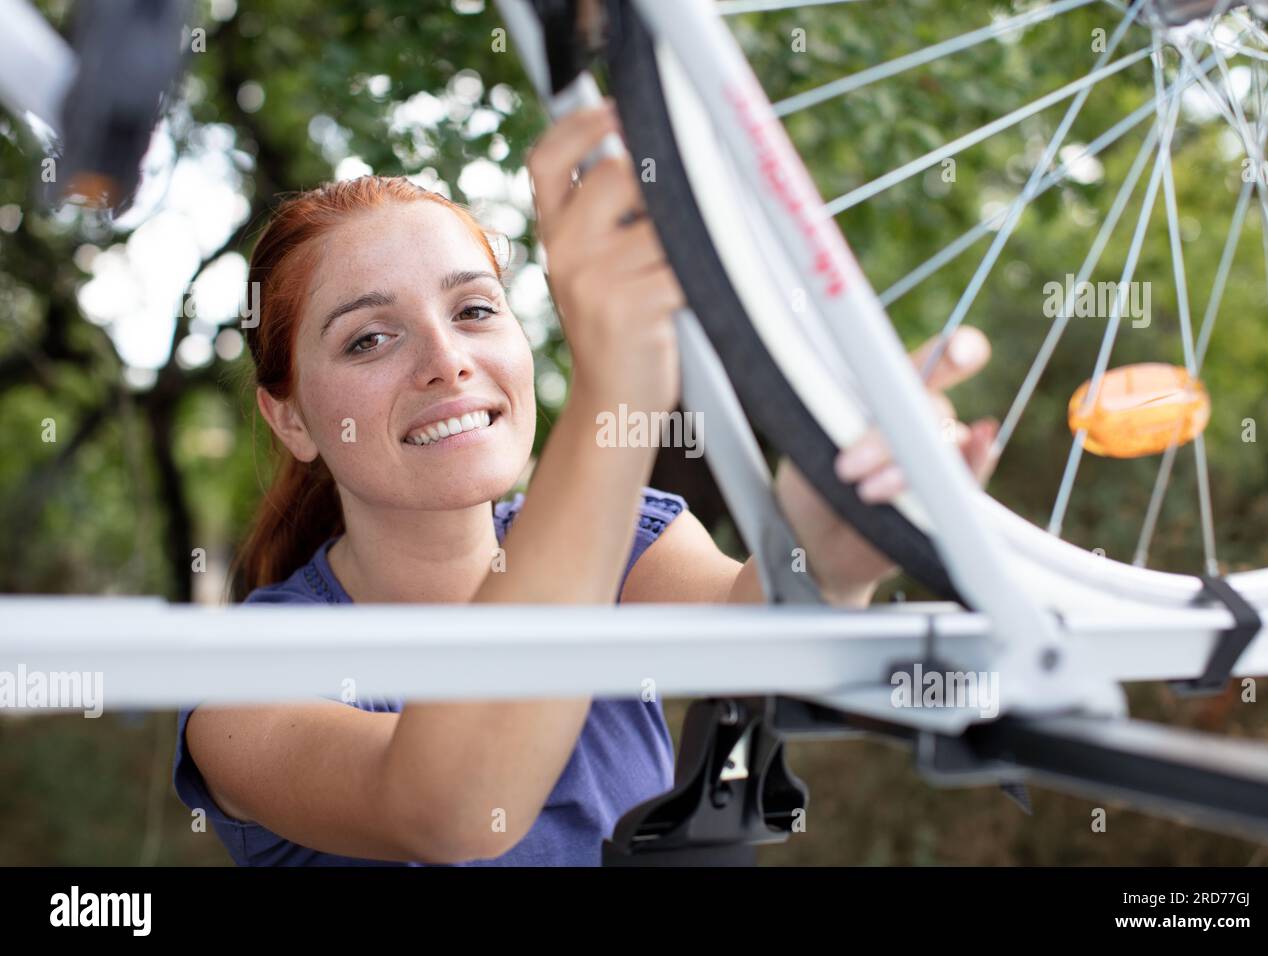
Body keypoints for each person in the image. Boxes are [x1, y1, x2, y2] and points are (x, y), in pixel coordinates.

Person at [173, 99, 997, 866]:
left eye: (474, 311)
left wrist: (836, 545)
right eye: (369, 340)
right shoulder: (244, 684)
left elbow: (771, 651)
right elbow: (449, 806)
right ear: (291, 420)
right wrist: (618, 389)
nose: (447, 361)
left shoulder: (630, 543)